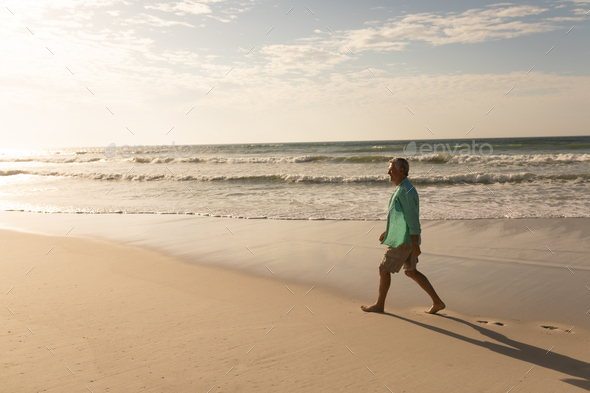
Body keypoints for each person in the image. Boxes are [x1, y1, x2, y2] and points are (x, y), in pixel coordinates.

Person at [361, 158, 446, 314]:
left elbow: (413, 219)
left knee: (383, 269)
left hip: (403, 241)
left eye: (391, 169)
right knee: (411, 271)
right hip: (406, 238)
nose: (388, 172)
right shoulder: (403, 188)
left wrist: (415, 244)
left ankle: (379, 305)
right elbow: (402, 217)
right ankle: (438, 302)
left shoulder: (405, 190)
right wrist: (388, 232)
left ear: (401, 171)